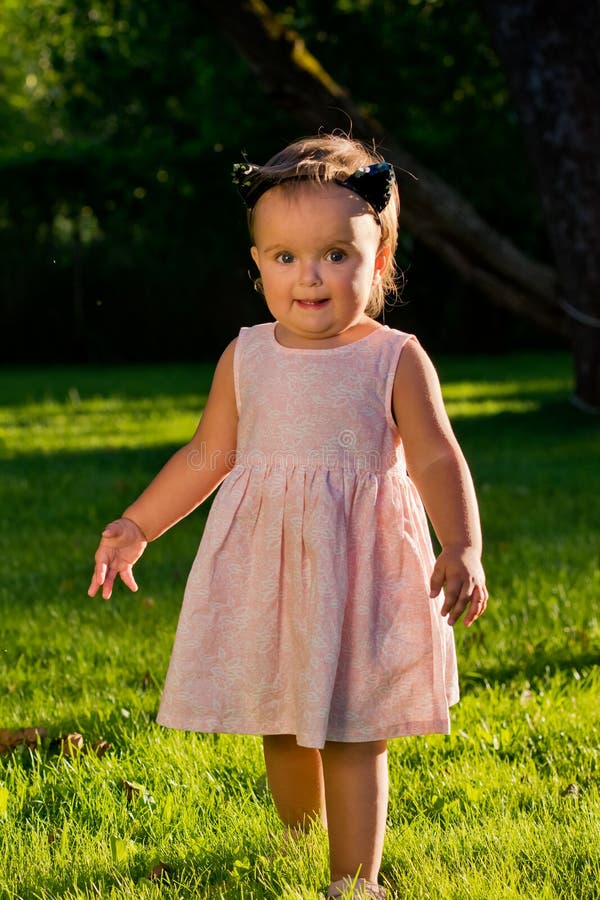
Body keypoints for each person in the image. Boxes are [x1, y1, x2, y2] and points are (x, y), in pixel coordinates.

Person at [88, 134, 488, 899]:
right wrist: (139, 524)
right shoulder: (247, 356)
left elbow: (437, 458)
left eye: (335, 254)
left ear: (378, 262)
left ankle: (354, 880)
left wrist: (461, 544)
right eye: (284, 257)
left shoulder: (393, 356)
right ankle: (301, 842)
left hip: (361, 569)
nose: (309, 276)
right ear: (257, 263)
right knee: (283, 718)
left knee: (350, 729)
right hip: (271, 572)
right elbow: (209, 454)